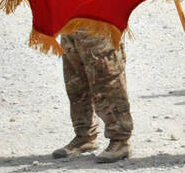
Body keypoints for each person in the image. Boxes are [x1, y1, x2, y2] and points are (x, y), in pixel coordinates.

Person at [53, 29, 133, 162]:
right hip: (71, 22)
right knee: (76, 81)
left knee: (106, 77)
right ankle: (85, 136)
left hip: (99, 23)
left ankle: (120, 140)